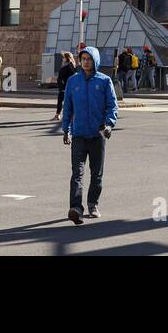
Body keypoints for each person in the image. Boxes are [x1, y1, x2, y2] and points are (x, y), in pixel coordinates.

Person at [60, 47, 118, 223]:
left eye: (89, 59)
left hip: (97, 135)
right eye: (83, 58)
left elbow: (112, 106)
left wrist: (109, 124)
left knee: (96, 174)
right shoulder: (73, 81)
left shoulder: (104, 81)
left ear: (95, 61)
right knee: (76, 174)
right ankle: (76, 208)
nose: (85, 62)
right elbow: (68, 108)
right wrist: (66, 129)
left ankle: (92, 204)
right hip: (78, 135)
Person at [53, 51, 77, 121]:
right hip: (72, 87)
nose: (62, 59)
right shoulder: (73, 66)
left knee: (60, 100)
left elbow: (60, 78)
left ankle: (58, 115)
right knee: (71, 101)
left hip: (65, 87)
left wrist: (61, 87)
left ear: (67, 58)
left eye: (63, 57)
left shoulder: (66, 67)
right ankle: (71, 115)